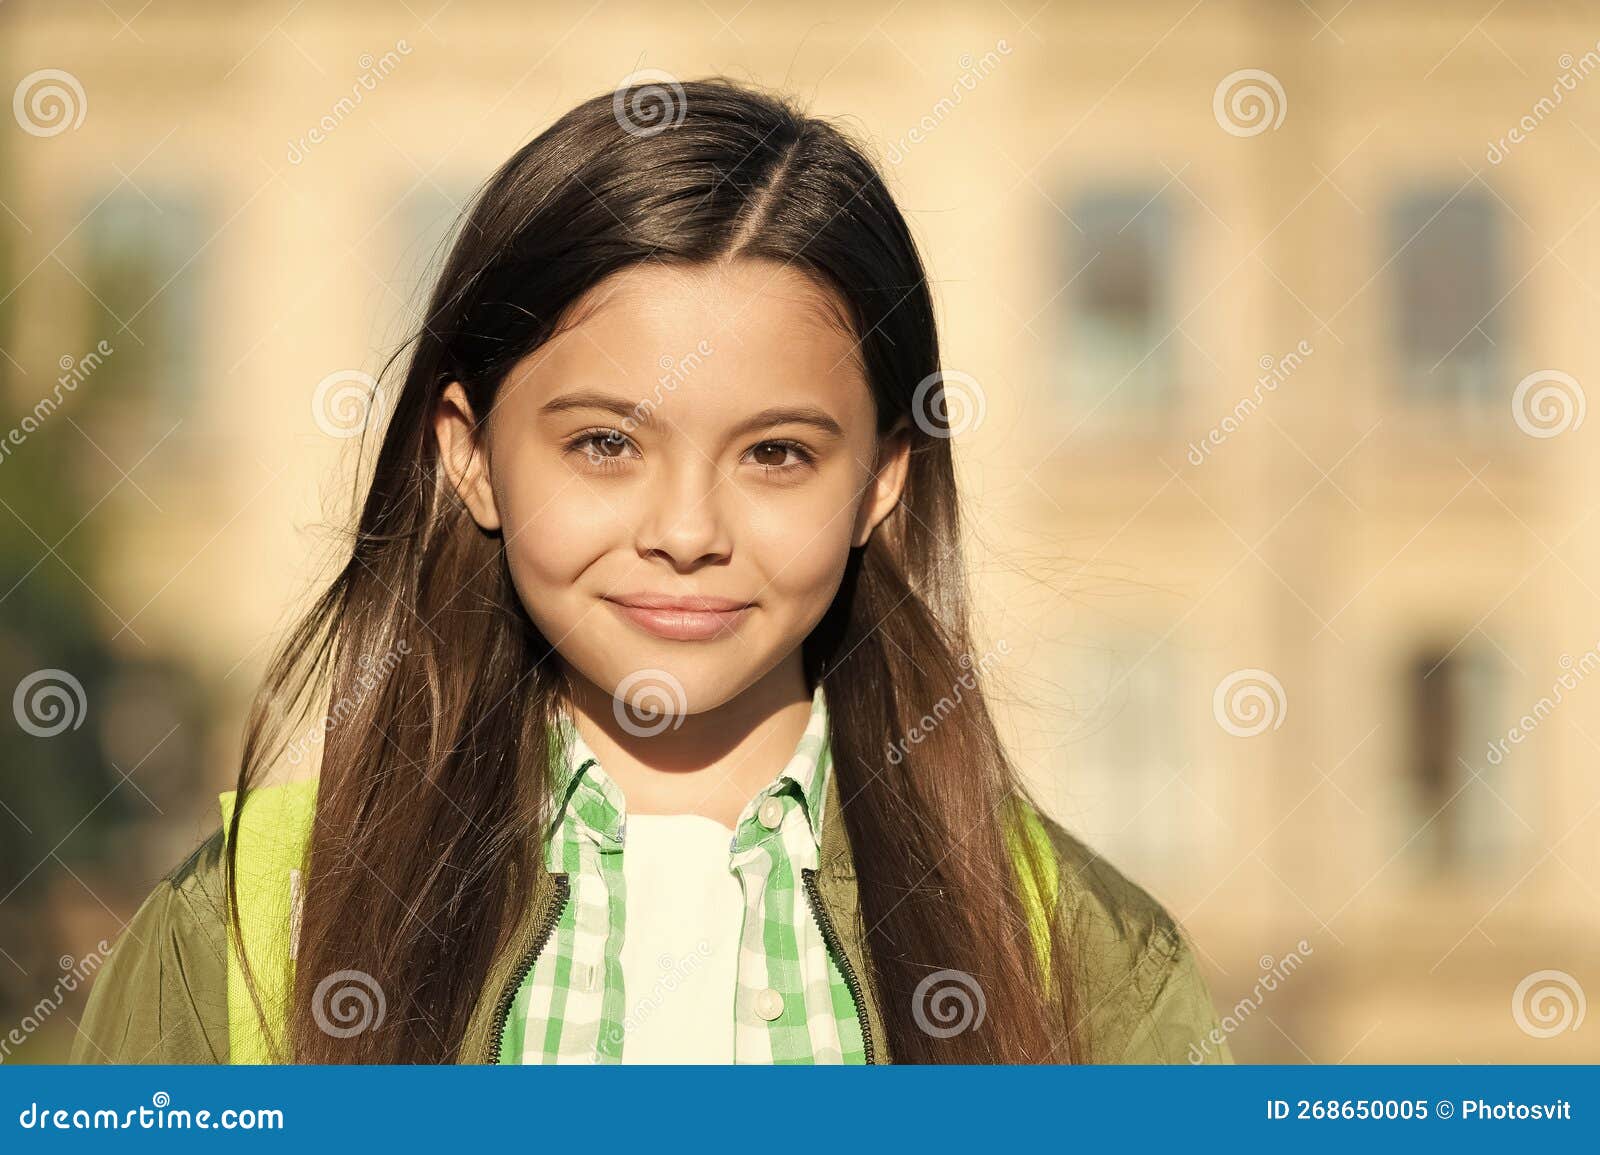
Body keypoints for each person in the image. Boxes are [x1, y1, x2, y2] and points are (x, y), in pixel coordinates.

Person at [71, 76, 1232, 1066]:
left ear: (880, 481)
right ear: (471, 458)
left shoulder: (1086, 961)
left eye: (776, 454)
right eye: (604, 444)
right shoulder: (246, 933)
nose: (686, 531)